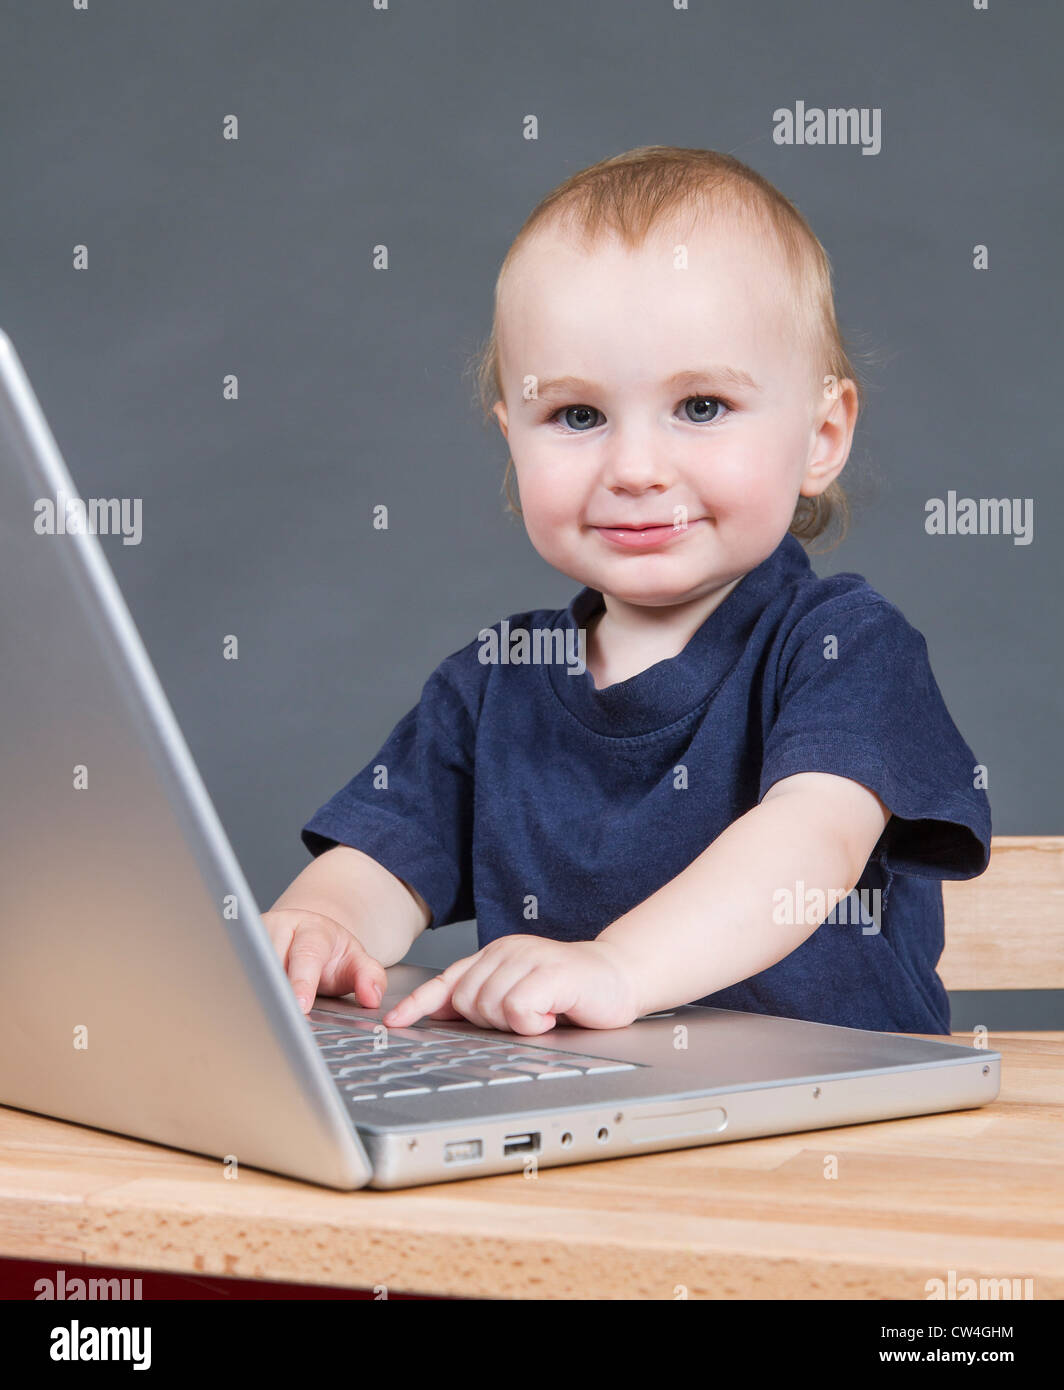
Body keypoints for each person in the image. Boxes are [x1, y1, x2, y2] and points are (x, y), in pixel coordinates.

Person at [262, 146, 991, 1038]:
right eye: (578, 417)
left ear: (821, 434)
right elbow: (381, 861)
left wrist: (617, 968)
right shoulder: (495, 683)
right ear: (512, 436)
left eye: (702, 407)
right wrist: (321, 925)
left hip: (826, 1125)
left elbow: (810, 845)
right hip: (575, 1132)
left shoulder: (842, 647)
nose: (635, 469)